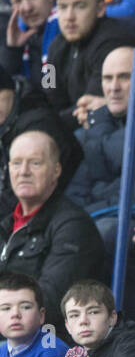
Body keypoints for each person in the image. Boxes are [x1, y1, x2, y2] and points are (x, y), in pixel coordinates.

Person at [0, 129, 105, 316]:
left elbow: (48, 300)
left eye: (35, 163)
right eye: (17, 163)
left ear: (56, 170)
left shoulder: (73, 226)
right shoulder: (6, 226)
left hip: (49, 339)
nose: (24, 172)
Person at [66, 44, 135, 230]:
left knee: (103, 230)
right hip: (96, 216)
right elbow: (76, 191)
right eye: (107, 78)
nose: (113, 87)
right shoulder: (94, 124)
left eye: (124, 77)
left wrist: (85, 216)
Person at [42, 0, 135, 131]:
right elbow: (49, 93)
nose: (69, 17)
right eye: (63, 7)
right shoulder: (56, 46)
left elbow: (87, 108)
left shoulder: (112, 43)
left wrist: (47, 124)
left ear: (100, 9)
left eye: (79, 6)